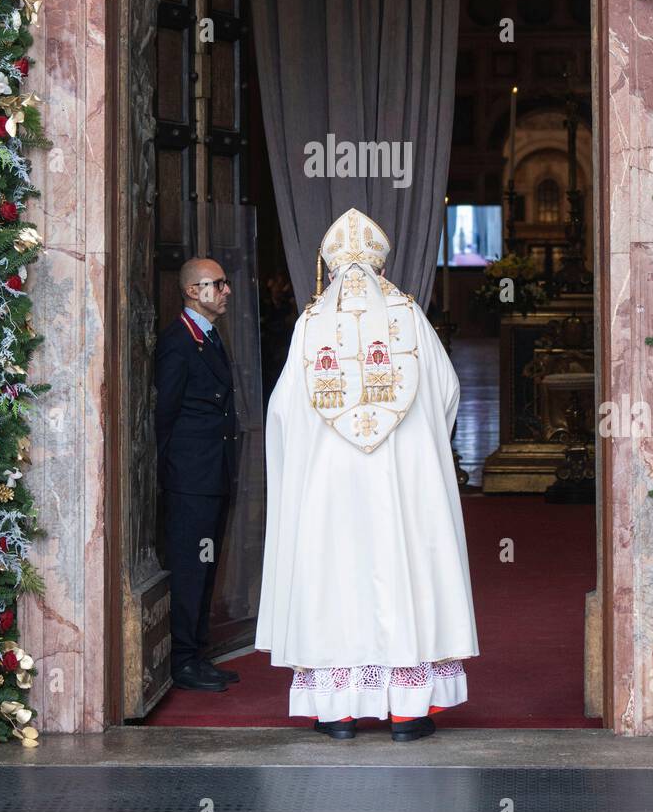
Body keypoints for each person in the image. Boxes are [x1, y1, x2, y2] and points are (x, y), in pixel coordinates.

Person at [255, 208, 478, 741]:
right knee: (406, 578)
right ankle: (407, 711)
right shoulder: (411, 316)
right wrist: (421, 446)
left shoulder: (310, 322)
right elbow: (447, 394)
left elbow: (282, 413)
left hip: (330, 488)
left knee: (335, 582)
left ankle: (338, 713)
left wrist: (301, 466)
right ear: (381, 269)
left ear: (331, 271)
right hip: (405, 483)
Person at [155, 257, 240, 692]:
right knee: (192, 569)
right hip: (192, 481)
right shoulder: (179, 342)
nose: (225, 290)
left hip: (212, 475)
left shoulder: (207, 337)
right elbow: (165, 416)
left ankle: (198, 653)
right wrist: (176, 475)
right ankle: (184, 660)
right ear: (193, 291)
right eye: (217, 284)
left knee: (205, 569)